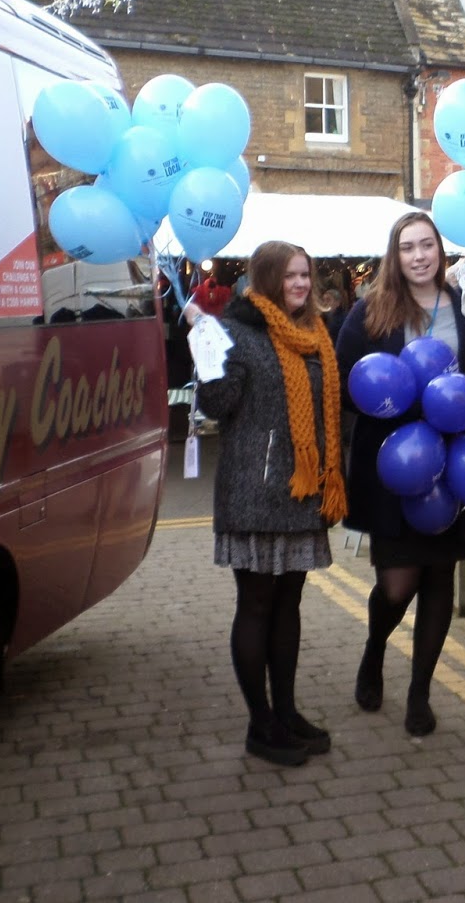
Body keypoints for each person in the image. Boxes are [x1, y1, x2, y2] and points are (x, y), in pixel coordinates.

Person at [335, 211, 465, 736]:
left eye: (427, 245)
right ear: (394, 255)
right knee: (397, 586)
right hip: (396, 465)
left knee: (439, 579)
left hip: (455, 466)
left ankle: (420, 693)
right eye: (408, 247)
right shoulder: (371, 312)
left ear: (440, 251)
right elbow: (344, 385)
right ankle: (374, 649)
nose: (420, 256)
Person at [196, 240, 346, 767]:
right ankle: (260, 724)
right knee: (257, 605)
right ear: (265, 280)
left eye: (305, 274)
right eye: (289, 276)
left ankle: (286, 711)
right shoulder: (237, 332)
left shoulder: (315, 335)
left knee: (290, 606)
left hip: (304, 494)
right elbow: (215, 405)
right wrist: (206, 351)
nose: (300, 285)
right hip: (255, 491)